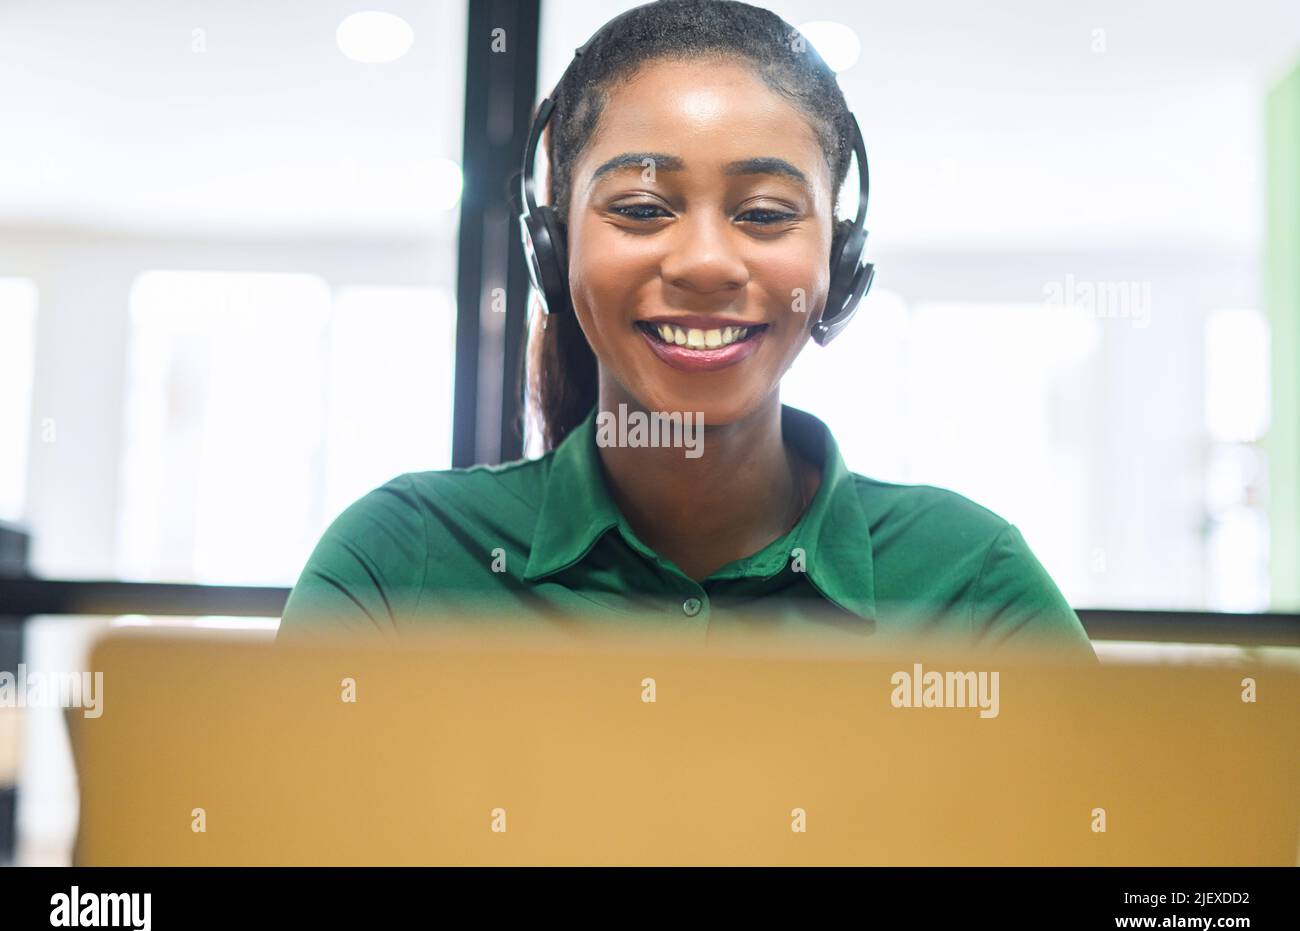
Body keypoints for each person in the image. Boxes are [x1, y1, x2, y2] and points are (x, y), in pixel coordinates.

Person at [277, 0, 1096, 661]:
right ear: (554, 244)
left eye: (766, 214)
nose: (706, 263)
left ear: (838, 262)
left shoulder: (970, 584)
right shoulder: (401, 565)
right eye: (639, 208)